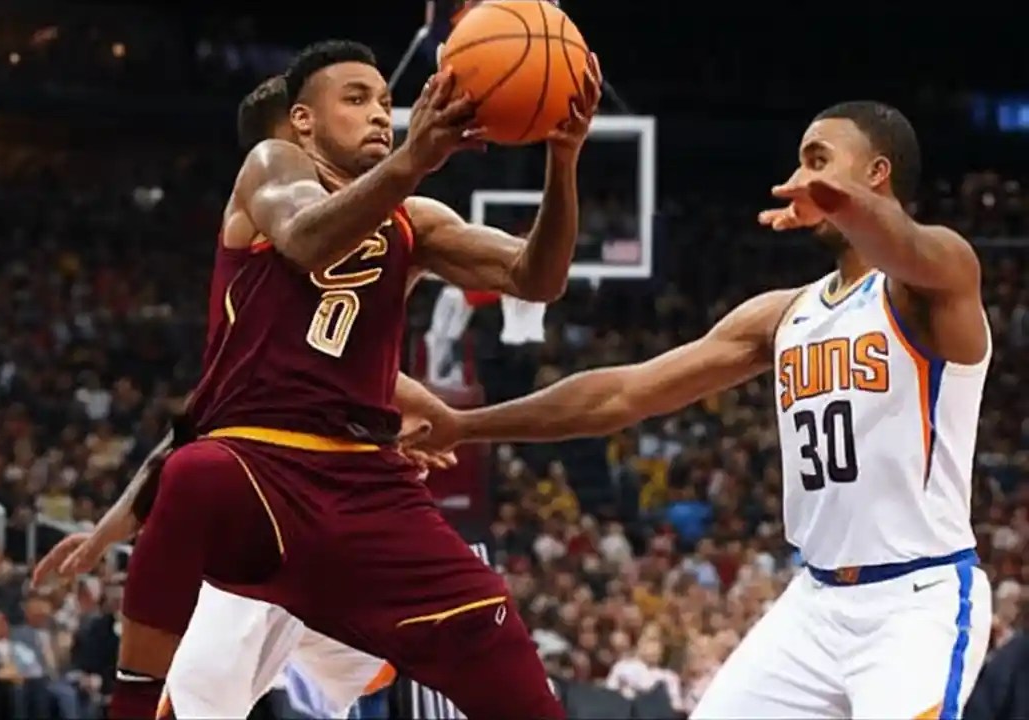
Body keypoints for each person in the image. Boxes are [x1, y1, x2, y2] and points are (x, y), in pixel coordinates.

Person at [423, 100, 993, 719]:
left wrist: (843, 204)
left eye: (818, 160)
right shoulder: (784, 316)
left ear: (878, 173)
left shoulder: (934, 281)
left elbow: (906, 243)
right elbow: (624, 393)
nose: (800, 177)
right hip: (817, 600)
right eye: (801, 163)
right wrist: (466, 424)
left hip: (916, 600)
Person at [90, 39, 599, 719]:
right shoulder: (271, 165)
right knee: (197, 475)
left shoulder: (416, 220)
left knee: (489, 623)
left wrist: (562, 163)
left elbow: (539, 277)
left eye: (385, 101)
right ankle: (130, 706)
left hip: (364, 479)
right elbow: (306, 239)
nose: (380, 114)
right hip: (261, 461)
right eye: (356, 99)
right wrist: (413, 160)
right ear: (302, 120)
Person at [35, 74, 438, 718]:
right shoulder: (264, 265)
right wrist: (113, 526)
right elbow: (203, 421)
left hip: (335, 516)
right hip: (264, 518)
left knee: (422, 645)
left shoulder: (376, 240)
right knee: (200, 694)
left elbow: (364, 374)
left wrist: (396, 434)